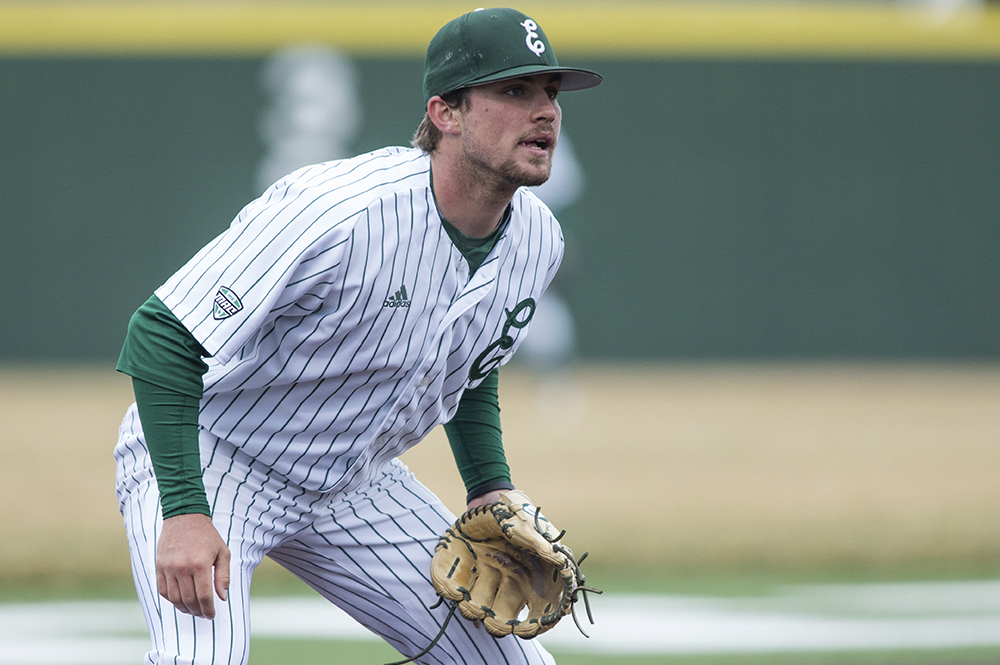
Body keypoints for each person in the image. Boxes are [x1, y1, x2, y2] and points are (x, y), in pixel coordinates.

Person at [114, 7, 602, 664]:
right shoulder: (341, 211)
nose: (545, 111)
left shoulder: (537, 240)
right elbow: (161, 333)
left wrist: (488, 484)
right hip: (216, 455)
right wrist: (182, 510)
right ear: (446, 113)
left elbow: (471, 361)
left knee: (514, 662)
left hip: (351, 480)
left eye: (549, 92)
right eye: (515, 91)